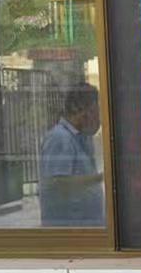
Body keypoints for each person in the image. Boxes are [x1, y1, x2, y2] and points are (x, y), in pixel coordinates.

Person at [39, 84, 104, 226]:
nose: (100, 119)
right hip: (68, 232)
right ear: (82, 111)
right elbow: (58, 186)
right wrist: (101, 178)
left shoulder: (82, 139)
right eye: (97, 112)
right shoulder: (60, 138)